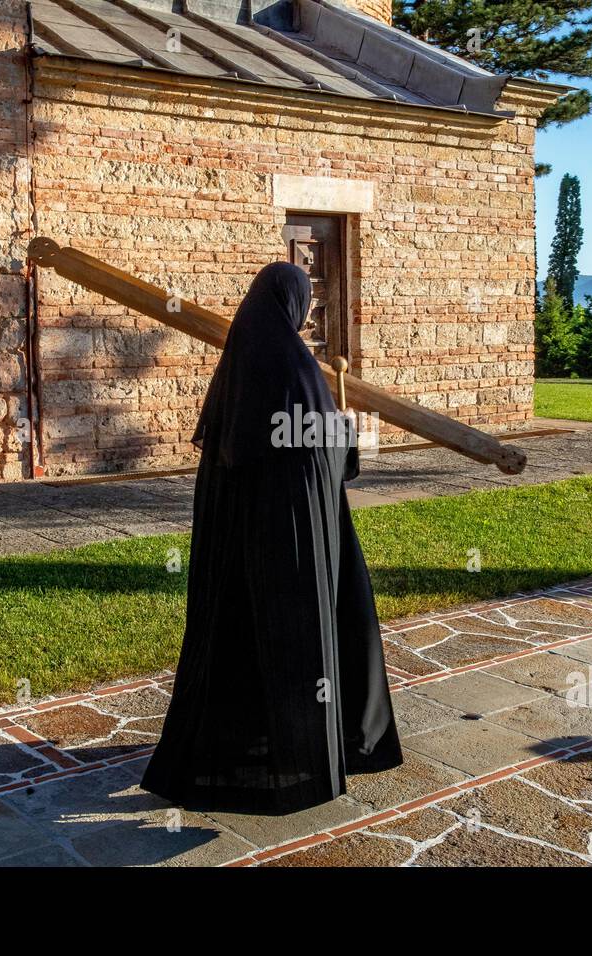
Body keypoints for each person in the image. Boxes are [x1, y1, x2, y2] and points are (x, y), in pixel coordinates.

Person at [140, 261, 402, 815]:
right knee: (300, 639)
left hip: (237, 543)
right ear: (295, 305)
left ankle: (225, 748)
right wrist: (345, 434)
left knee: (238, 633)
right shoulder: (296, 368)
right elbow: (326, 464)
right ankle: (303, 756)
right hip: (294, 541)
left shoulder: (239, 363)